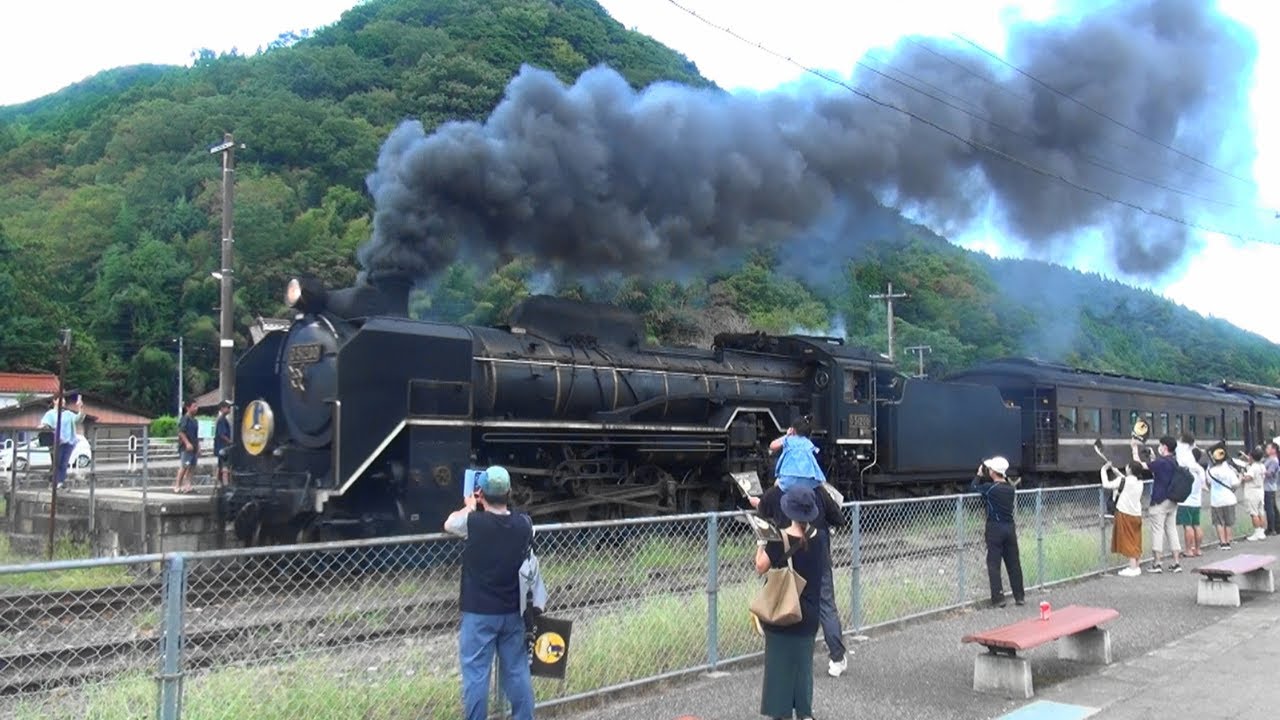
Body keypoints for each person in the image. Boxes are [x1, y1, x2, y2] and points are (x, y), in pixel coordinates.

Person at [444, 466, 535, 720]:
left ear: (480, 492)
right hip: (512, 612)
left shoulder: (472, 523)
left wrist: (470, 505)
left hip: (479, 613)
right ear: (509, 492)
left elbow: (450, 523)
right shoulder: (524, 524)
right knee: (517, 671)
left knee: (476, 675)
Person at [750, 479, 849, 677]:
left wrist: (761, 541)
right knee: (826, 606)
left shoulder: (777, 495)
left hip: (789, 589)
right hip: (813, 591)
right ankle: (836, 657)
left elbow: (761, 565)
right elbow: (839, 518)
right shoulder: (820, 533)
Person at [754, 487, 825, 720]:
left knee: (779, 671)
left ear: (790, 512)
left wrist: (760, 542)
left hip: (782, 614)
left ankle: (781, 713)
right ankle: (805, 714)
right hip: (810, 616)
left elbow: (760, 567)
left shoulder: (779, 540)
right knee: (803, 669)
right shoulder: (821, 538)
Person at [970, 456, 1025, 608]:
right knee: (1013, 563)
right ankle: (1019, 596)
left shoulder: (990, 488)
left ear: (993, 472)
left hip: (995, 528)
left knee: (994, 564)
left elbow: (973, 488)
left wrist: (979, 475)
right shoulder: (1010, 489)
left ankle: (998, 599)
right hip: (1010, 528)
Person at [1131, 436, 1182, 573]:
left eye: (1160, 445)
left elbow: (1138, 465)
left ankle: (1157, 563)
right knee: (1172, 530)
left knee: (1157, 531)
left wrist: (1134, 449)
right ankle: (1177, 562)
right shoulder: (1174, 462)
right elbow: (1158, 472)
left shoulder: (1161, 463)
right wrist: (1153, 457)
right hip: (1172, 501)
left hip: (1159, 502)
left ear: (1164, 447)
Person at [1101, 461, 1145, 576]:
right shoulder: (1140, 482)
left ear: (1129, 469)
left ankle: (1132, 568)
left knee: (1127, 540)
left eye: (1127, 465)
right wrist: (1117, 472)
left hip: (1125, 513)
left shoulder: (1123, 481)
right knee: (1135, 539)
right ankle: (1137, 565)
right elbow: (1126, 480)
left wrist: (1103, 470)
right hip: (1137, 514)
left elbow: (1106, 484)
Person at [37, 393, 83, 490]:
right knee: (56, 463)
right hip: (56, 442)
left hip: (68, 441)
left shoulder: (68, 413)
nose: (63, 401)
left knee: (64, 463)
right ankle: (53, 483)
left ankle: (60, 483)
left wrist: (80, 407)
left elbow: (78, 419)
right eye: (60, 399)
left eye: (64, 400)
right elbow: (44, 424)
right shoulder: (50, 414)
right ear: (55, 401)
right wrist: (45, 427)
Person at [769, 417, 826, 492]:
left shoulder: (788, 440)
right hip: (808, 482)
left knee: (776, 485)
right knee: (821, 488)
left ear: (793, 430)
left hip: (788, 481)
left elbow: (772, 446)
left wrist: (787, 435)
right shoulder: (808, 443)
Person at [1175, 440, 1207, 558]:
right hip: (1196, 502)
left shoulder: (1187, 469)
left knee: (1187, 526)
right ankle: (1198, 549)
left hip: (1185, 502)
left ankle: (1189, 550)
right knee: (1196, 525)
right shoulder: (1200, 470)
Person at [1206, 444, 1240, 550]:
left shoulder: (1210, 471)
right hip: (1229, 498)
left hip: (1216, 500)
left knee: (1219, 522)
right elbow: (1235, 483)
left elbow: (1209, 483)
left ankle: (1223, 542)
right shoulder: (1229, 470)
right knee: (1228, 522)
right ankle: (1228, 540)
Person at [1232, 448, 1267, 541]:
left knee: (1253, 513)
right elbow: (1252, 461)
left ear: (1252, 457)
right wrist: (1245, 456)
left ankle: (1256, 532)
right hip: (1260, 490)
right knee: (1260, 512)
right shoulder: (1262, 466)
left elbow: (1248, 478)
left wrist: (1241, 476)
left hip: (1252, 491)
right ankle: (1261, 532)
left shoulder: (1253, 467)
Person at [173, 400, 199, 494]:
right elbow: (181, 432)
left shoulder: (195, 421)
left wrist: (198, 447)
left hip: (194, 447)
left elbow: (196, 435)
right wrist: (187, 443)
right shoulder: (185, 419)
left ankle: (187, 486)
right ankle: (177, 486)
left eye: (197, 406)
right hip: (185, 448)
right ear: (188, 408)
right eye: (194, 406)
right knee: (184, 466)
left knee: (192, 467)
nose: (196, 408)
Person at [214, 401, 232, 487]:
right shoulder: (221, 420)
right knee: (224, 466)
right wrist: (230, 441)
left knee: (220, 465)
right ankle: (225, 483)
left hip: (222, 446)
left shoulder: (224, 419)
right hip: (222, 446)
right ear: (222, 409)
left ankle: (219, 483)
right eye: (227, 407)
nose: (229, 409)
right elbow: (222, 434)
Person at [1264, 441, 1280, 536]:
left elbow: (1270, 473)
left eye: (1268, 448)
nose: (1266, 450)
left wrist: (1262, 471)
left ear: (1273, 450)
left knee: (1270, 508)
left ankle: (1272, 528)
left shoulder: (1273, 460)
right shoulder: (1268, 459)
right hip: (1267, 487)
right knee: (1272, 507)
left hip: (1269, 487)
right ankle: (1276, 526)